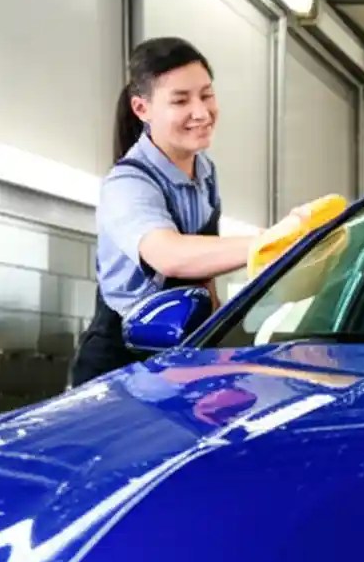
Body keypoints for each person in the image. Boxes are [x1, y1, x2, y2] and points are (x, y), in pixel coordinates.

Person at [69, 37, 293, 386]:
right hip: (119, 367)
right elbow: (169, 255)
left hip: (180, 358)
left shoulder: (205, 172)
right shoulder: (127, 183)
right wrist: (274, 241)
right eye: (180, 100)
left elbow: (203, 278)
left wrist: (220, 345)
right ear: (142, 109)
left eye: (206, 95)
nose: (201, 112)